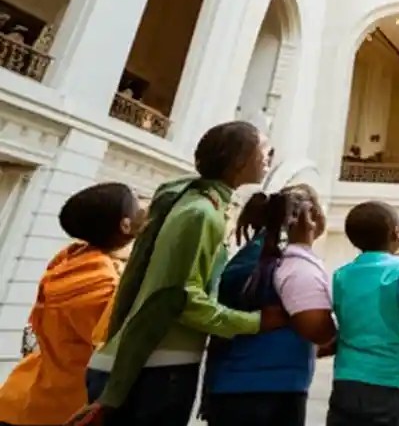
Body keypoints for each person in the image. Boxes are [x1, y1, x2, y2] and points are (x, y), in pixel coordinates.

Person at [73, 121, 288, 426]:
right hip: (156, 371)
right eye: (265, 150)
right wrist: (255, 322)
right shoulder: (200, 213)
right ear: (239, 159)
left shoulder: (198, 203)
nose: (270, 157)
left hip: (153, 368)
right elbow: (182, 298)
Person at [0, 183, 142, 426]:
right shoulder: (99, 282)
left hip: (26, 394)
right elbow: (114, 343)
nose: (144, 209)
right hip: (59, 408)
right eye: (137, 204)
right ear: (125, 225)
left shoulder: (71, 259)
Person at [202, 185, 335, 426]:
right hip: (275, 388)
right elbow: (318, 329)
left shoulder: (246, 255)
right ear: (310, 217)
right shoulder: (293, 261)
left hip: (227, 384)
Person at [327, 201, 399, 426]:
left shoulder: (342, 275)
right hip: (388, 379)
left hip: (347, 377)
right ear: (397, 233)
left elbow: (339, 319)